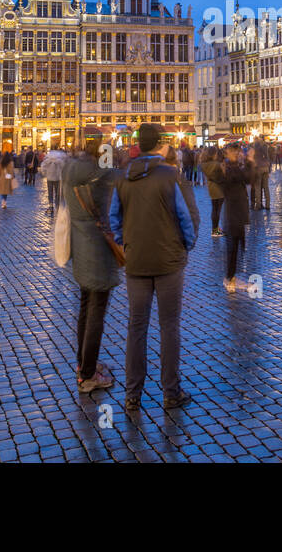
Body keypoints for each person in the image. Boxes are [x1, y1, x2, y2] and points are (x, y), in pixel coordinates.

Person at [109, 123, 197, 412]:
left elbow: (114, 219)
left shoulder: (123, 177)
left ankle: (132, 394)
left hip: (136, 261)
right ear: (159, 144)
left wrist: (127, 243)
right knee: (169, 325)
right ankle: (171, 391)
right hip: (169, 259)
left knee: (136, 326)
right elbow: (184, 217)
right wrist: (187, 244)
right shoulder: (170, 175)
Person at [63, 129, 120, 394]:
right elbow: (120, 177)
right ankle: (88, 375)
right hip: (96, 247)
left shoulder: (73, 165)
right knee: (96, 311)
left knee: (86, 308)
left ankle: (84, 363)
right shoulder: (95, 170)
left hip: (81, 245)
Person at [215, 144, 253, 292]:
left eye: (238, 152)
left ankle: (232, 277)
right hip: (233, 214)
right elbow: (243, 177)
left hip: (238, 213)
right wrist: (248, 161)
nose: (238, 154)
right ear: (227, 153)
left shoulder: (233, 167)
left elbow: (247, 178)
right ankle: (229, 278)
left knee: (239, 247)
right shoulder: (227, 169)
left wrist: (248, 162)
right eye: (235, 152)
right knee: (233, 248)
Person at [201, 147, 224, 237]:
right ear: (214, 154)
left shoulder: (204, 164)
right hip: (219, 188)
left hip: (211, 188)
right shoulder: (217, 164)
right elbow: (222, 177)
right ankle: (215, 230)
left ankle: (215, 228)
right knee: (217, 210)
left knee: (214, 209)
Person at [41, 148, 66, 212]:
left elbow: (43, 167)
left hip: (49, 178)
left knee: (50, 192)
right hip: (57, 178)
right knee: (57, 193)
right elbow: (63, 167)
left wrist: (45, 174)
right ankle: (57, 205)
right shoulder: (60, 160)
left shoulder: (47, 159)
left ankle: (51, 205)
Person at [250, 141, 271, 211]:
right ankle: (268, 205)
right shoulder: (264, 149)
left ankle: (258, 205)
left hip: (259, 168)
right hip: (266, 168)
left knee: (258, 187)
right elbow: (268, 158)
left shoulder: (255, 151)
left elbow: (253, 161)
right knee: (266, 187)